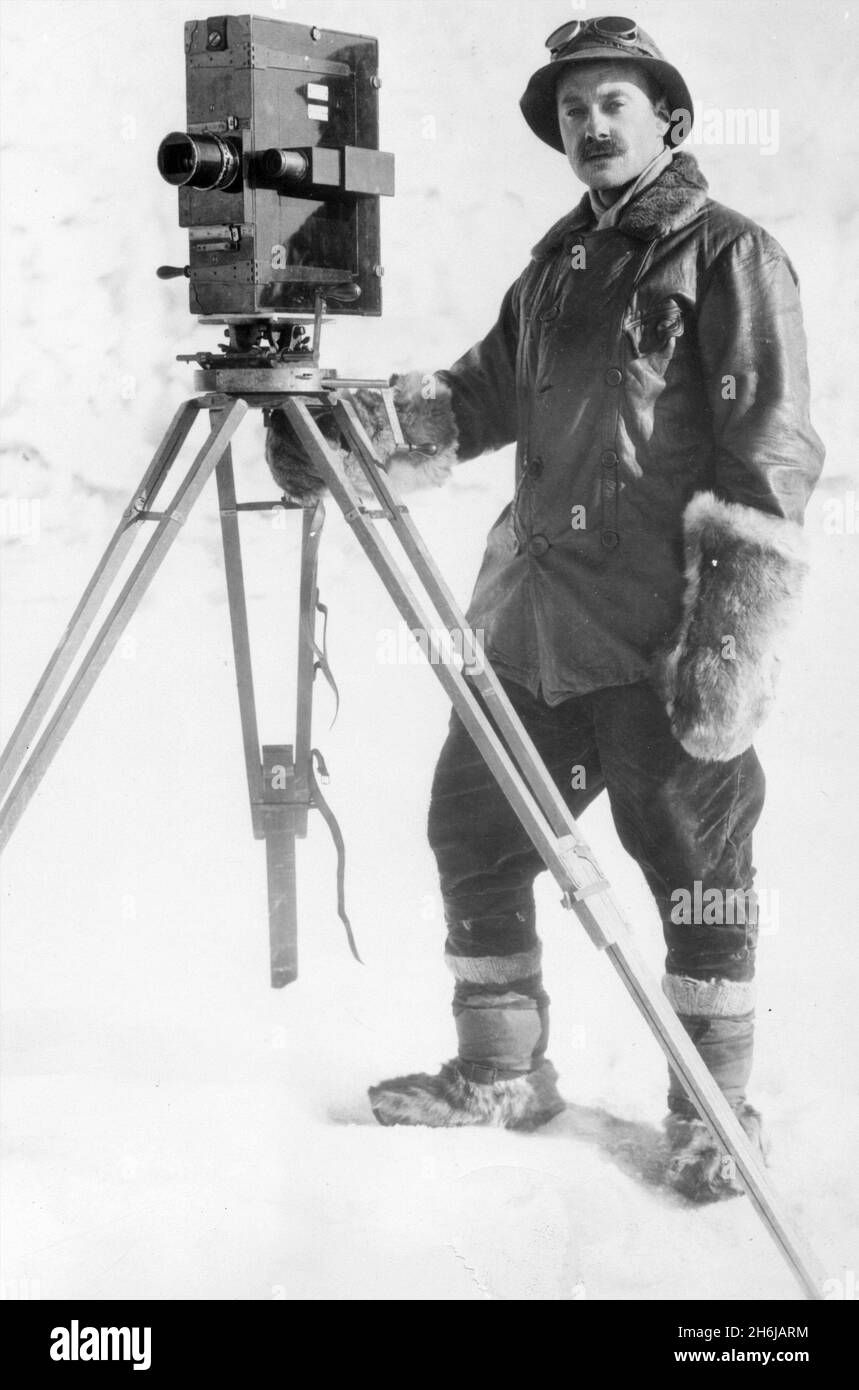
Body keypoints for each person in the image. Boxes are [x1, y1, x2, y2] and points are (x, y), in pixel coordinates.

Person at [265, 16, 824, 1200]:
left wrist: (723, 645)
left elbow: (768, 458)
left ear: (668, 118)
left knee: (698, 868)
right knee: (473, 835)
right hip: (527, 626)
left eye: (612, 102)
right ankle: (502, 1072)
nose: (589, 125)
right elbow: (472, 400)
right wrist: (334, 431)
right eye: (572, 110)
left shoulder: (731, 257)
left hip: (657, 636)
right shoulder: (556, 268)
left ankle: (713, 1112)